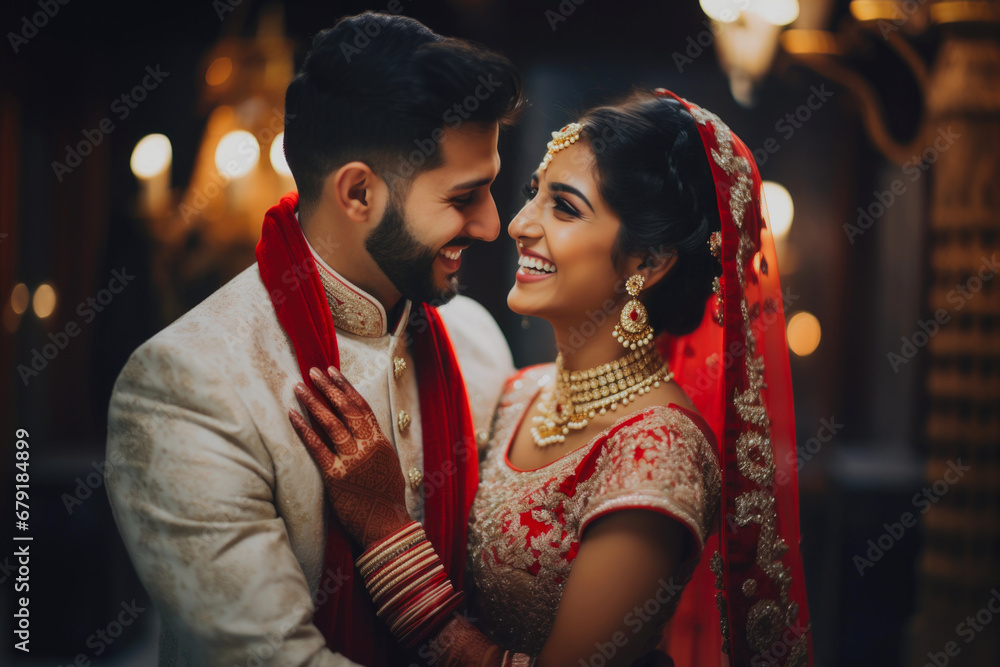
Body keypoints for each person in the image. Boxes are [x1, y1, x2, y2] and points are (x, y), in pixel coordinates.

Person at [291, 88, 814, 666]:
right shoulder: (520, 392)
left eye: (563, 207)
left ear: (650, 260)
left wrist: (385, 528)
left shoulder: (658, 451)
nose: (517, 224)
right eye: (531, 195)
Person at [104, 12, 524, 665]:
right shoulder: (185, 382)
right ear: (358, 191)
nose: (494, 225)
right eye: (465, 196)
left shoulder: (476, 340)